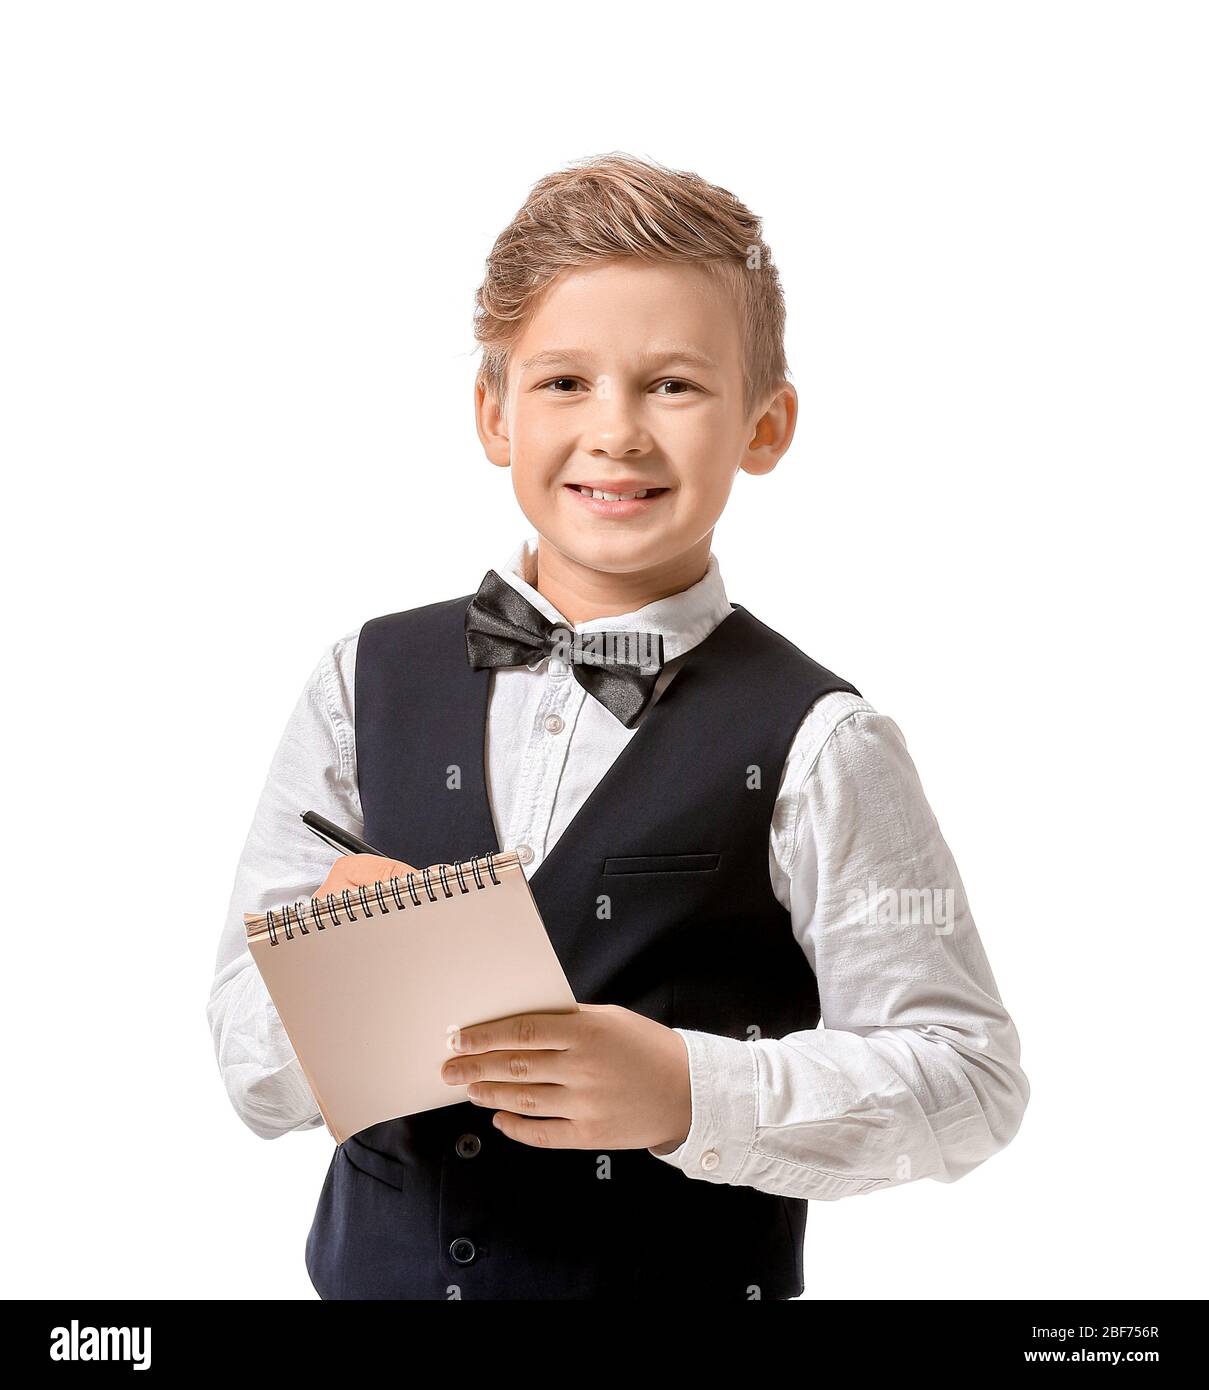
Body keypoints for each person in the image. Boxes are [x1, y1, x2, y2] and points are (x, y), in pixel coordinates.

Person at [206, 151, 1029, 1300]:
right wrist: (340, 987)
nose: (618, 433)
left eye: (675, 385)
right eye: (564, 384)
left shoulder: (823, 739)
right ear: (494, 413)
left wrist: (693, 1093)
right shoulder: (361, 680)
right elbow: (249, 1074)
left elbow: (969, 1077)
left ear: (766, 423)